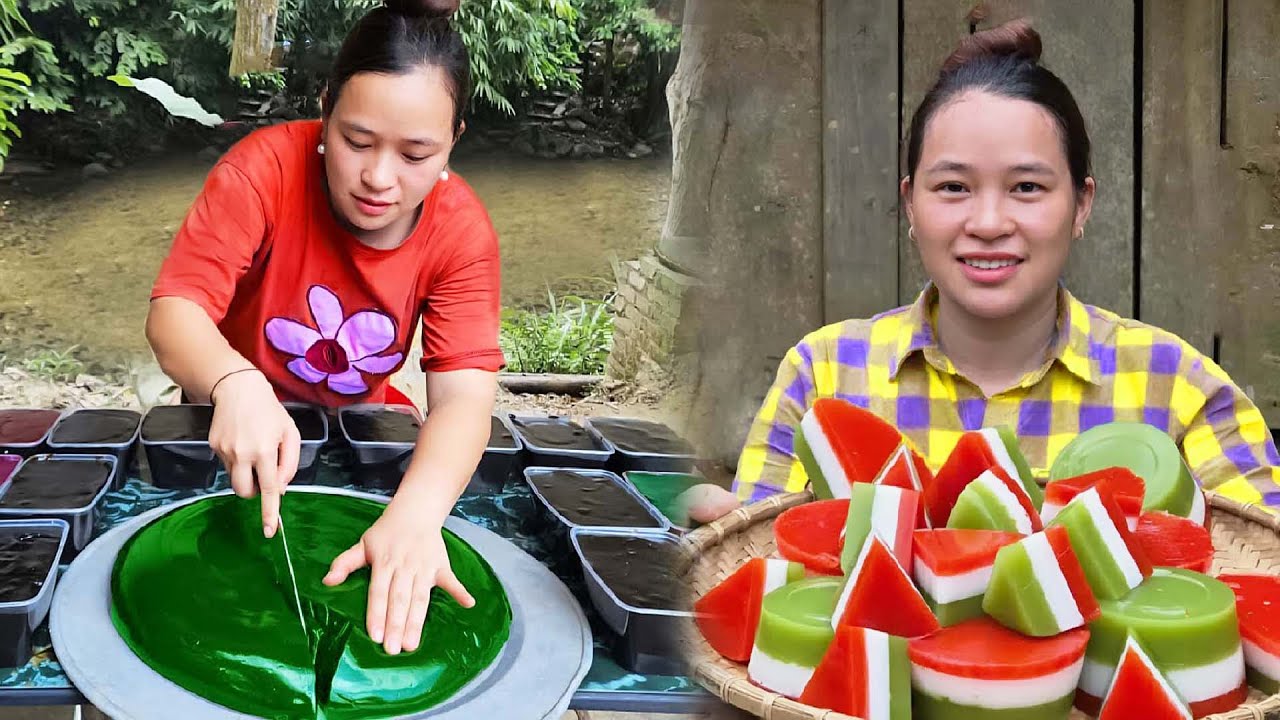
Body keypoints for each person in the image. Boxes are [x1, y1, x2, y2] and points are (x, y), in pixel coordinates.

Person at [684, 19, 1280, 522]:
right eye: (953, 187)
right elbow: (760, 573)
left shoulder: (1180, 388)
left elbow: (1261, 568)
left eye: (1026, 187)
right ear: (911, 204)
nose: (989, 221)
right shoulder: (821, 378)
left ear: (1081, 204)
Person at [145, 0, 500, 656]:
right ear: (325, 109)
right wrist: (233, 381)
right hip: (229, 434)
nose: (378, 178)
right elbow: (175, 310)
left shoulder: (461, 229)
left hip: (364, 444)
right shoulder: (263, 171)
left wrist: (417, 518)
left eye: (417, 153)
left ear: (454, 141)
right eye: (356, 140)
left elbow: (464, 399)